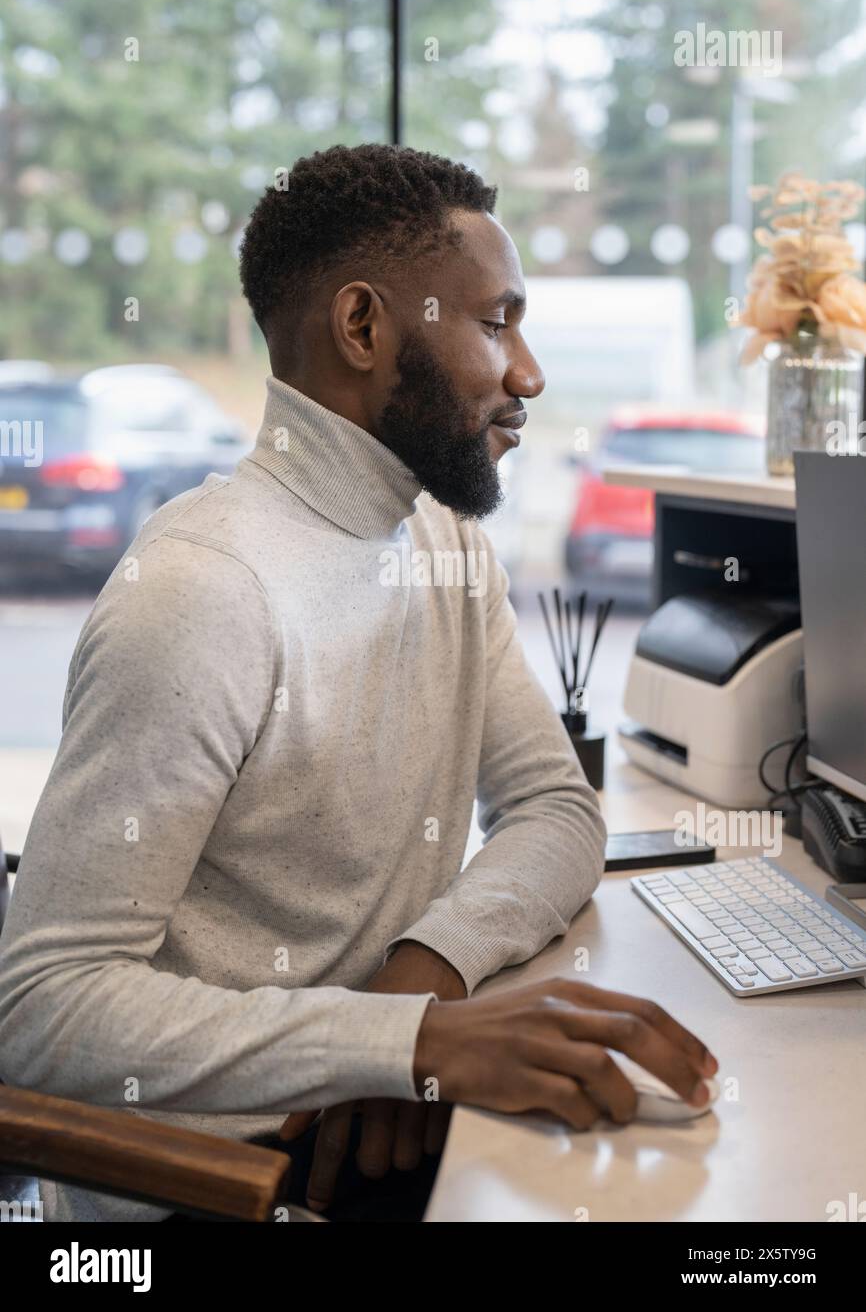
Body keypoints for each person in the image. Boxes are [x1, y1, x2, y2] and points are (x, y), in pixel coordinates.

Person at [0, 144, 717, 1223]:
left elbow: (554, 807)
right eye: (494, 322)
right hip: (218, 1184)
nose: (526, 373)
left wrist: (422, 982)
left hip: (369, 1123)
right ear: (364, 327)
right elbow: (42, 1013)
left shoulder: (441, 538)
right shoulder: (203, 592)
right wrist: (402, 1043)